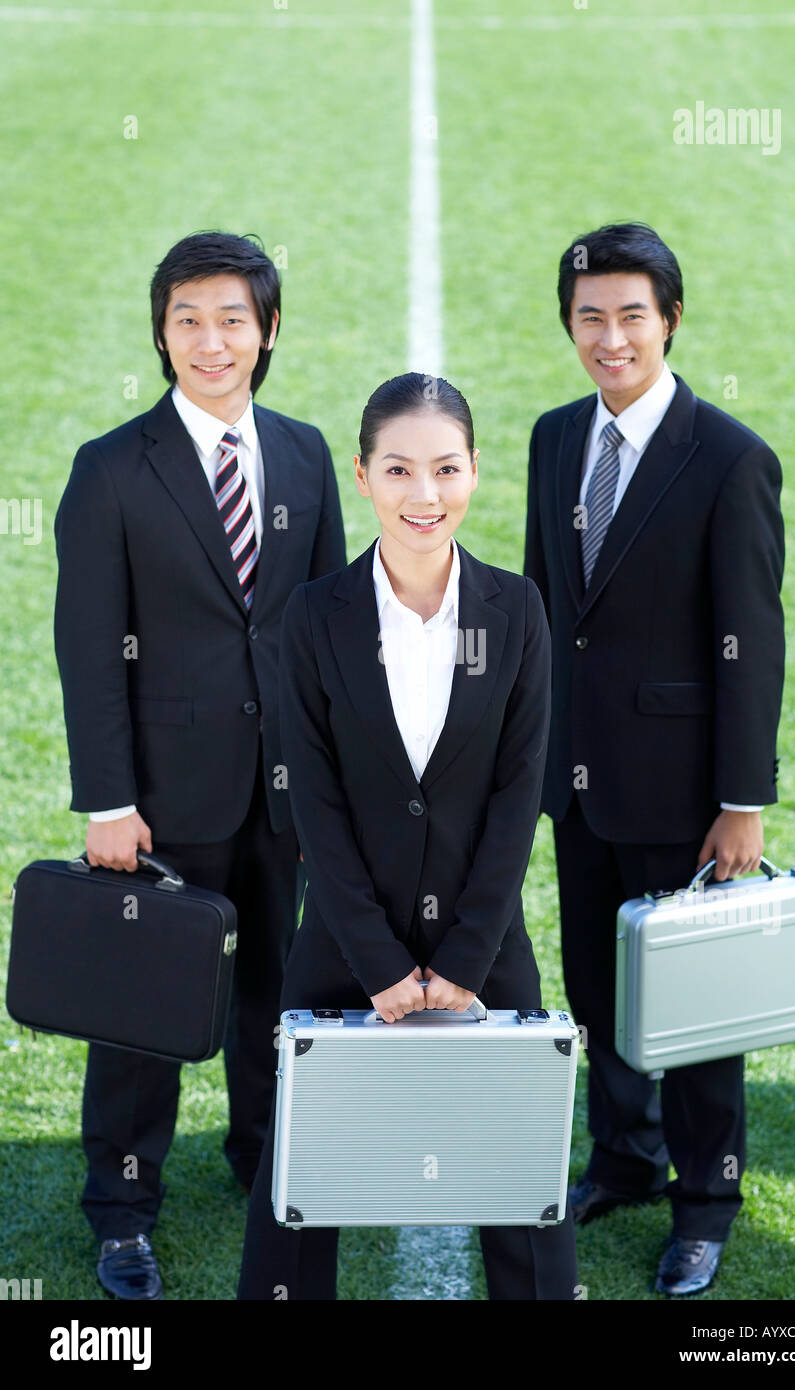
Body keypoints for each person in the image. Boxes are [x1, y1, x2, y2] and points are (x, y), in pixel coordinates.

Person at [237, 372, 578, 1300]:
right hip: (345, 938)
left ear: (474, 472)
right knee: (301, 1177)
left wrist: (465, 958)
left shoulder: (519, 611)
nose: (423, 495)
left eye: (445, 468)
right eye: (399, 469)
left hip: (484, 936)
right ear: (362, 476)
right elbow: (317, 804)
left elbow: (518, 798)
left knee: (520, 1168)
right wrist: (380, 963)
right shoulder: (313, 617)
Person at [53, 231, 346, 1299]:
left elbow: (324, 636)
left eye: (233, 319)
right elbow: (88, 653)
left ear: (269, 330)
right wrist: (109, 802)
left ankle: (264, 1158)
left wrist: (327, 785)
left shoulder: (309, 454)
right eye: (188, 320)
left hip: (281, 796)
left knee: (278, 992)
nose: (211, 341)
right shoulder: (111, 469)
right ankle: (123, 1208)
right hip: (161, 806)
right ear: (161, 332)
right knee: (142, 1014)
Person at [524, 222, 784, 1295]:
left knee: (696, 1011)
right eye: (591, 315)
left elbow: (752, 643)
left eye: (633, 313)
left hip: (683, 795)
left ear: (671, 318)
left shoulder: (730, 458)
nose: (612, 335)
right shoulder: (551, 438)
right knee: (598, 990)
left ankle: (707, 1199)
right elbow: (547, 607)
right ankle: (624, 1160)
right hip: (577, 782)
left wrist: (743, 803)